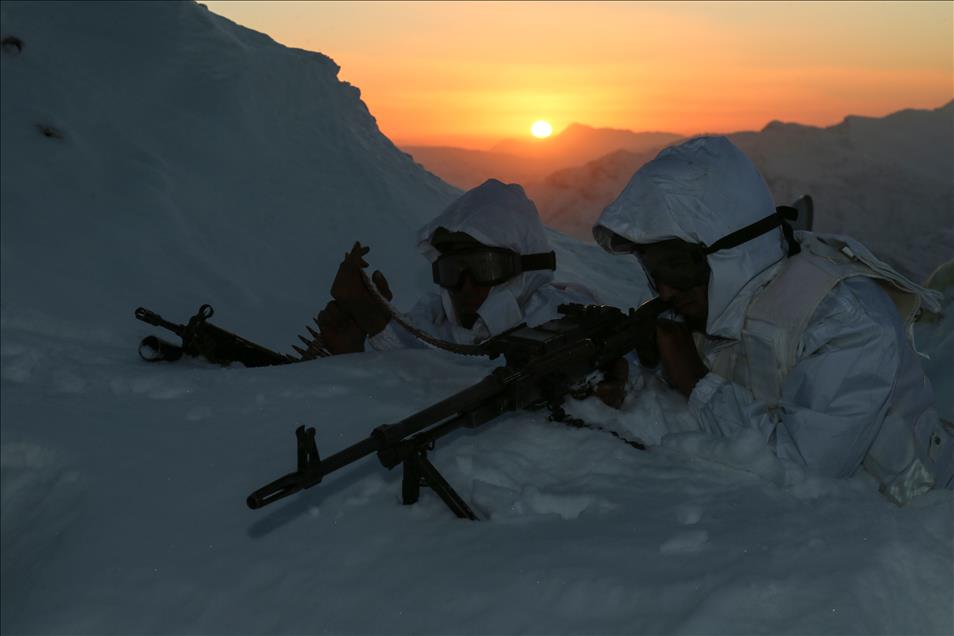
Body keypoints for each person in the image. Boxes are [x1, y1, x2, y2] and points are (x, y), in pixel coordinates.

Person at [592, 135, 953, 503]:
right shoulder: (700, 301)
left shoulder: (847, 323)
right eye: (654, 269)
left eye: (676, 265)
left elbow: (804, 471)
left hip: (916, 526)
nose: (665, 291)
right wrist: (633, 380)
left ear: (729, 252)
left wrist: (695, 379)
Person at [312, 178, 599, 355]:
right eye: (452, 270)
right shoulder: (436, 320)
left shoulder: (562, 316)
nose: (466, 286)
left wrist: (376, 319)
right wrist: (356, 350)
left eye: (484, 268)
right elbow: (424, 375)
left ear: (524, 269)